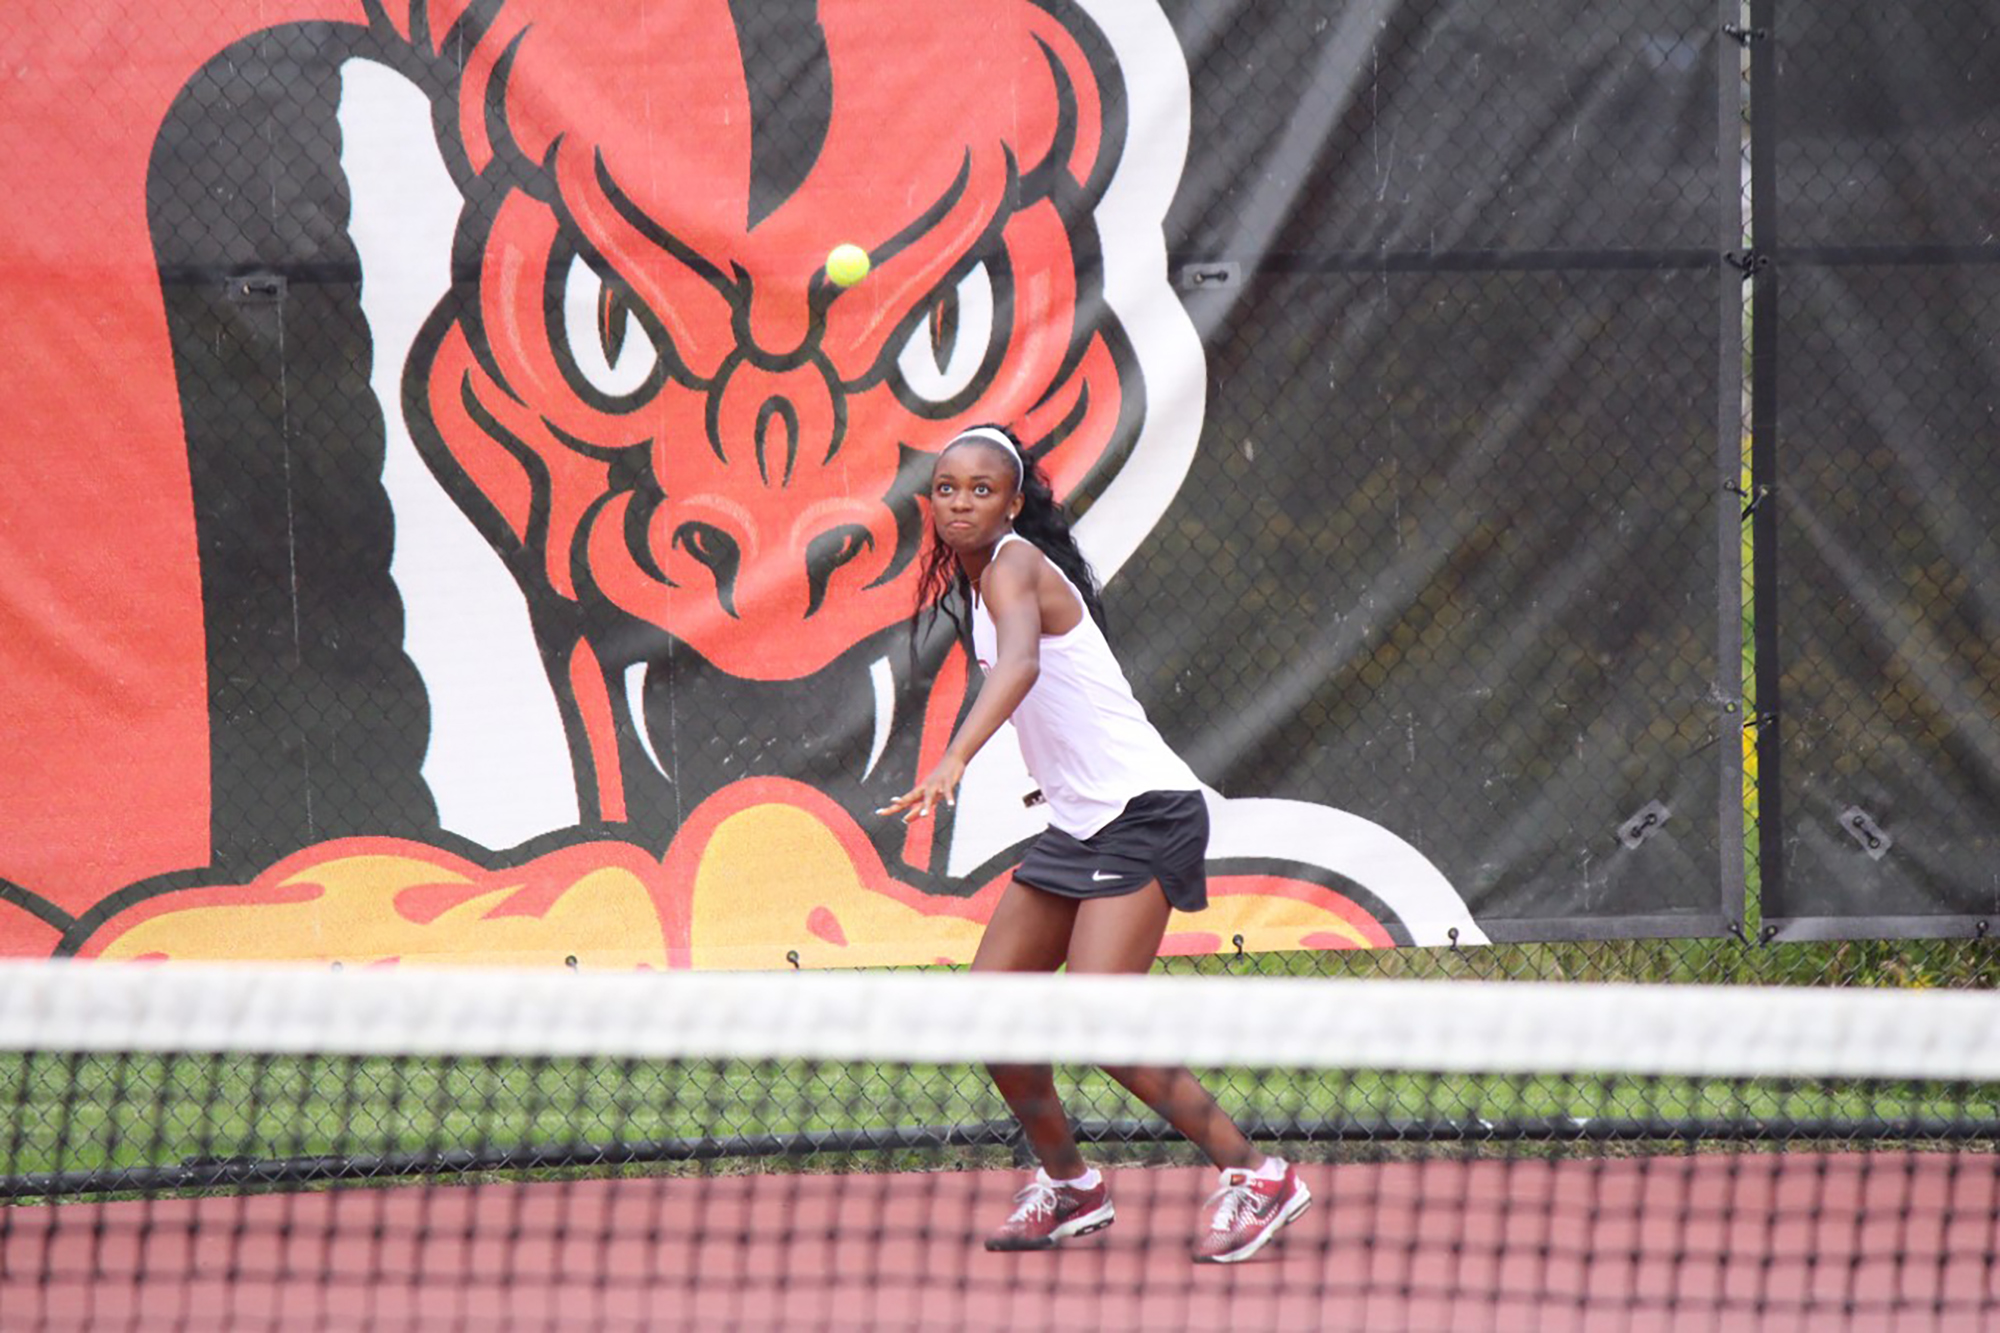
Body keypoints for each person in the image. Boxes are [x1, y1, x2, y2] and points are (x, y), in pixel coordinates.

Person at [879, 424, 1311, 1264]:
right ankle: (1073, 1185)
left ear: (1012, 502)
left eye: (980, 489)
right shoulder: (980, 582)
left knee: (1101, 1020)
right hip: (1083, 819)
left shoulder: (1013, 565)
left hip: (1146, 812)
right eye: (946, 489)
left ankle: (1259, 1176)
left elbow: (1020, 669)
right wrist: (1059, 776)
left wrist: (956, 757)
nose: (961, 502)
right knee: (994, 1010)